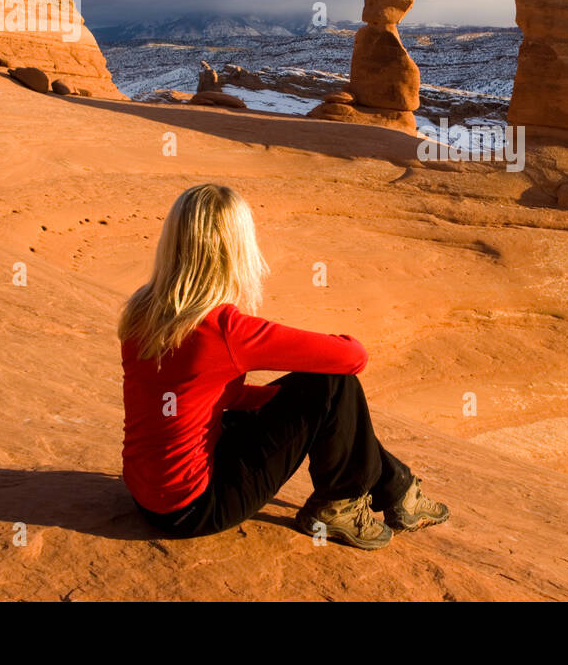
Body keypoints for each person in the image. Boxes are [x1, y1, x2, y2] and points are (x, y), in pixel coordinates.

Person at [118, 183, 448, 549]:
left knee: (322, 400)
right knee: (335, 387)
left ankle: (396, 489)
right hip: (196, 507)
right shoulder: (224, 329)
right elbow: (354, 357)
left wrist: (287, 404)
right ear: (235, 248)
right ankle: (345, 504)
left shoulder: (144, 309)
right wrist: (305, 404)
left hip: (147, 493)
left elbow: (195, 393)